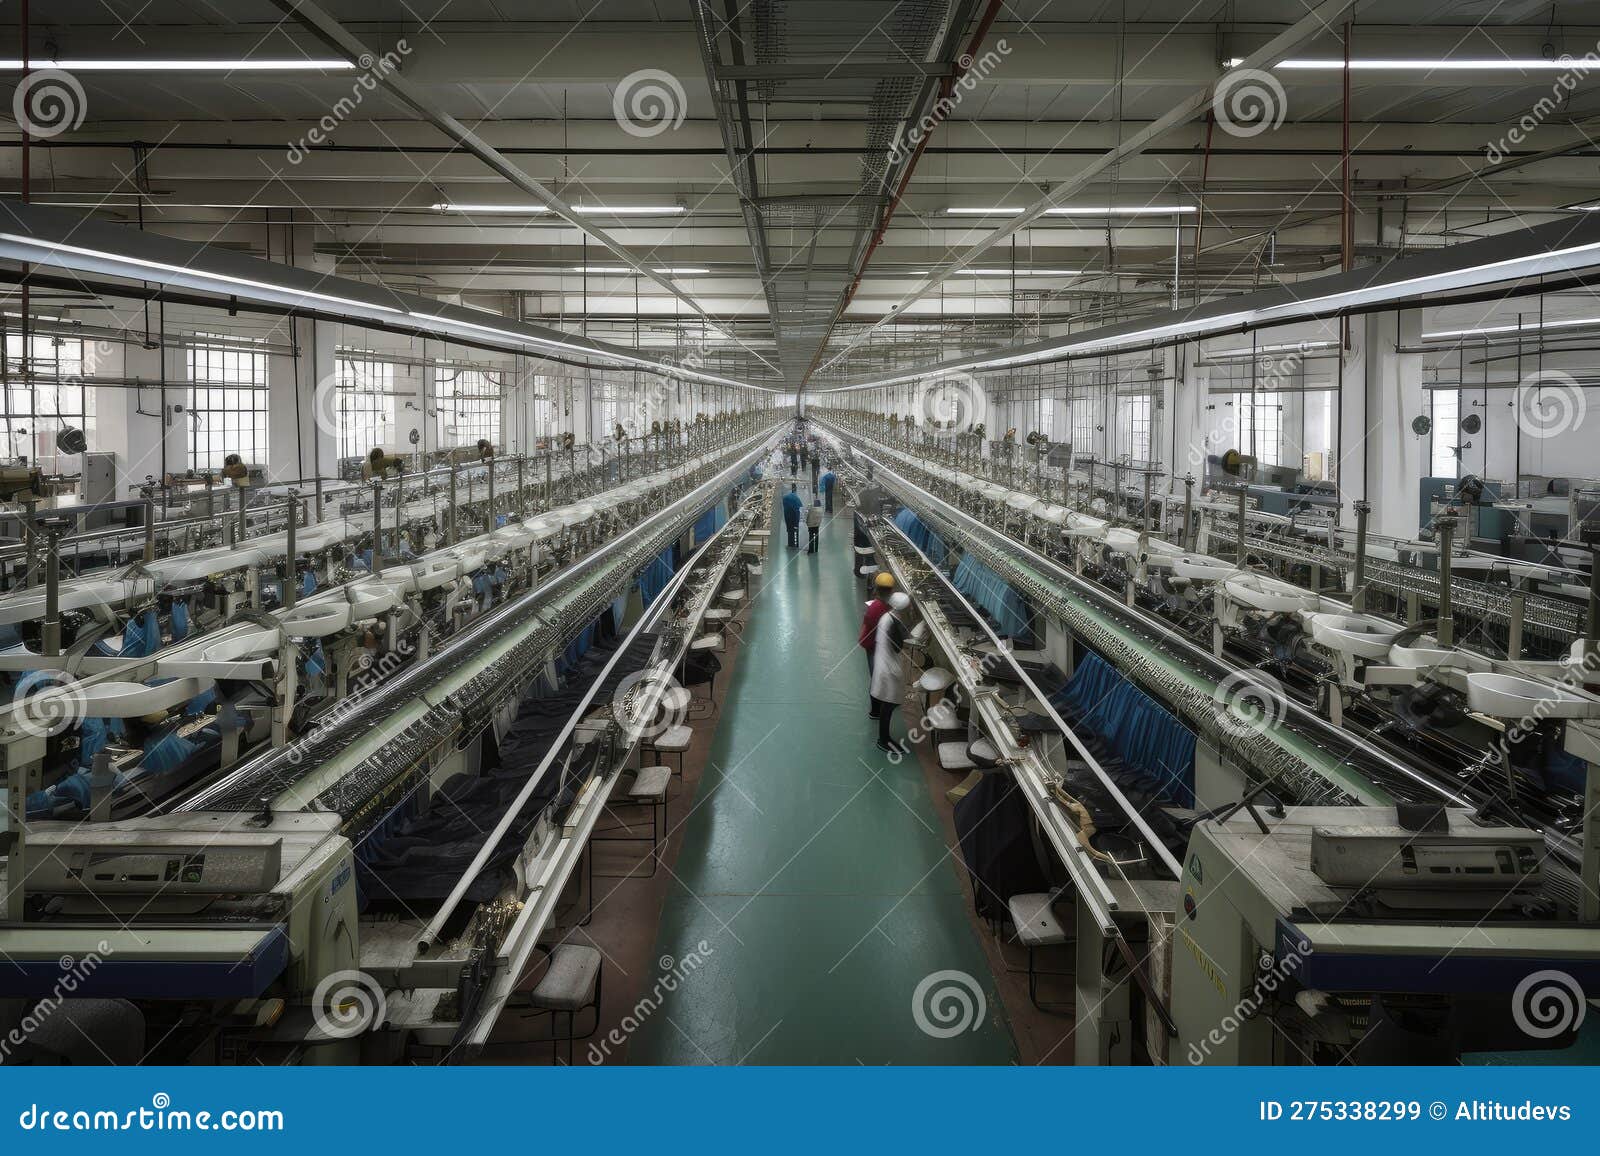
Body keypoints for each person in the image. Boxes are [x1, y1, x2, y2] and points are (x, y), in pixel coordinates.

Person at [869, 591, 911, 753]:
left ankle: (884, 737)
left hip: (885, 665)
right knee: (890, 703)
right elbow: (898, 646)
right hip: (889, 670)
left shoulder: (887, 616)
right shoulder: (894, 623)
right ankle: (883, 740)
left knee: (888, 703)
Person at [859, 572, 894, 687]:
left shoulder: (874, 607)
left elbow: (868, 624)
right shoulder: (887, 607)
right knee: (878, 673)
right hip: (879, 646)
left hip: (872, 645)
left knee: (875, 672)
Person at [781, 483, 803, 548]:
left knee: (790, 530)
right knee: (795, 529)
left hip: (788, 516)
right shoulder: (796, 499)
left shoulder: (785, 498)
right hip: (793, 516)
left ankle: (790, 544)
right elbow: (799, 509)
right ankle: (795, 544)